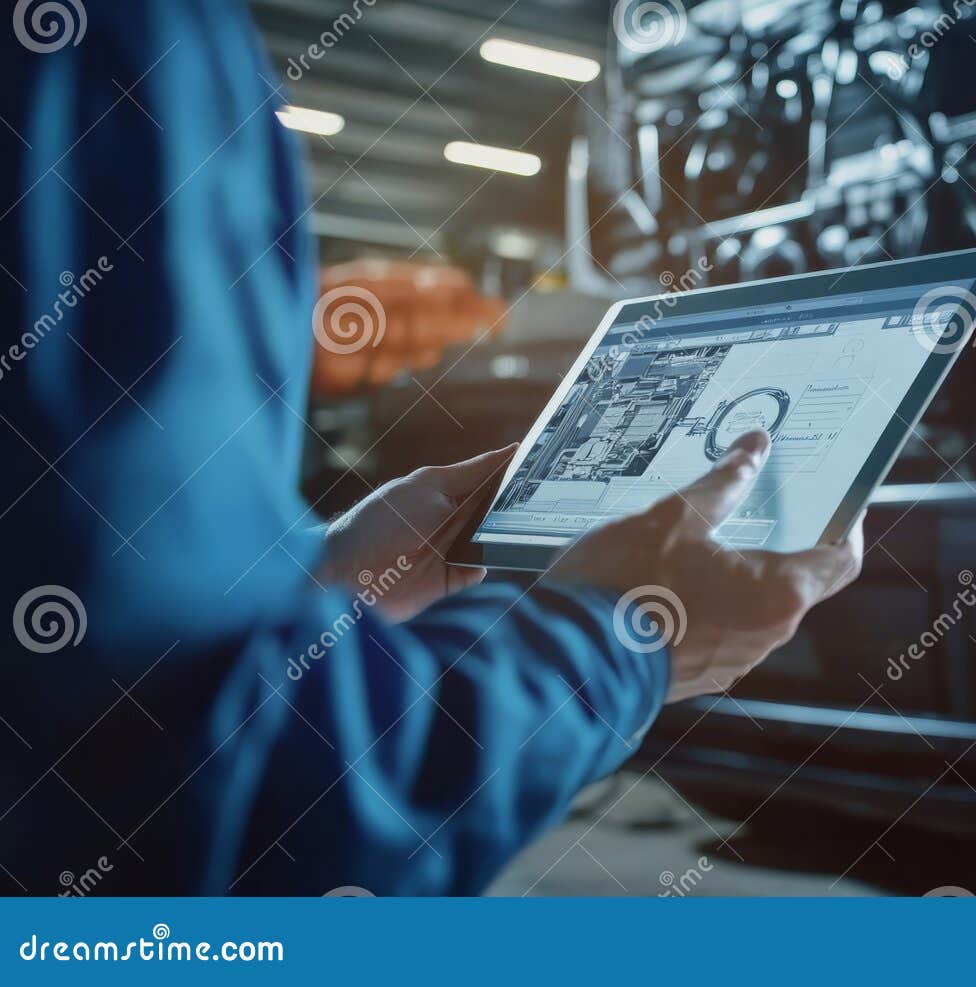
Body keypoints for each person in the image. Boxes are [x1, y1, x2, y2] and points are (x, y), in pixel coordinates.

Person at [0, 2, 861, 895]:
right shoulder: (117, 50)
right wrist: (618, 639)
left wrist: (324, 576)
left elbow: (97, 631)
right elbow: (208, 805)